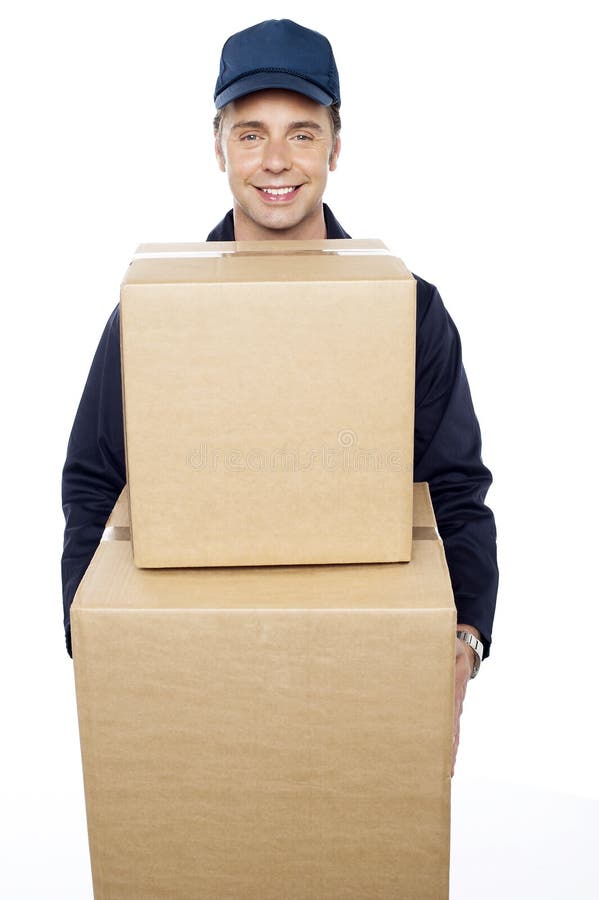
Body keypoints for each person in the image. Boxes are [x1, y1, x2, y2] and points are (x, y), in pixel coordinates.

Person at [61, 19, 498, 774]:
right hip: (189, 664)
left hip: (360, 665)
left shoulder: (407, 310)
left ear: (335, 146)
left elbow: (454, 488)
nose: (274, 161)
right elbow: (93, 482)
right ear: (218, 145)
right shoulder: (156, 314)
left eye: (301, 134)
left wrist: (464, 636)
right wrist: (94, 643)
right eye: (250, 132)